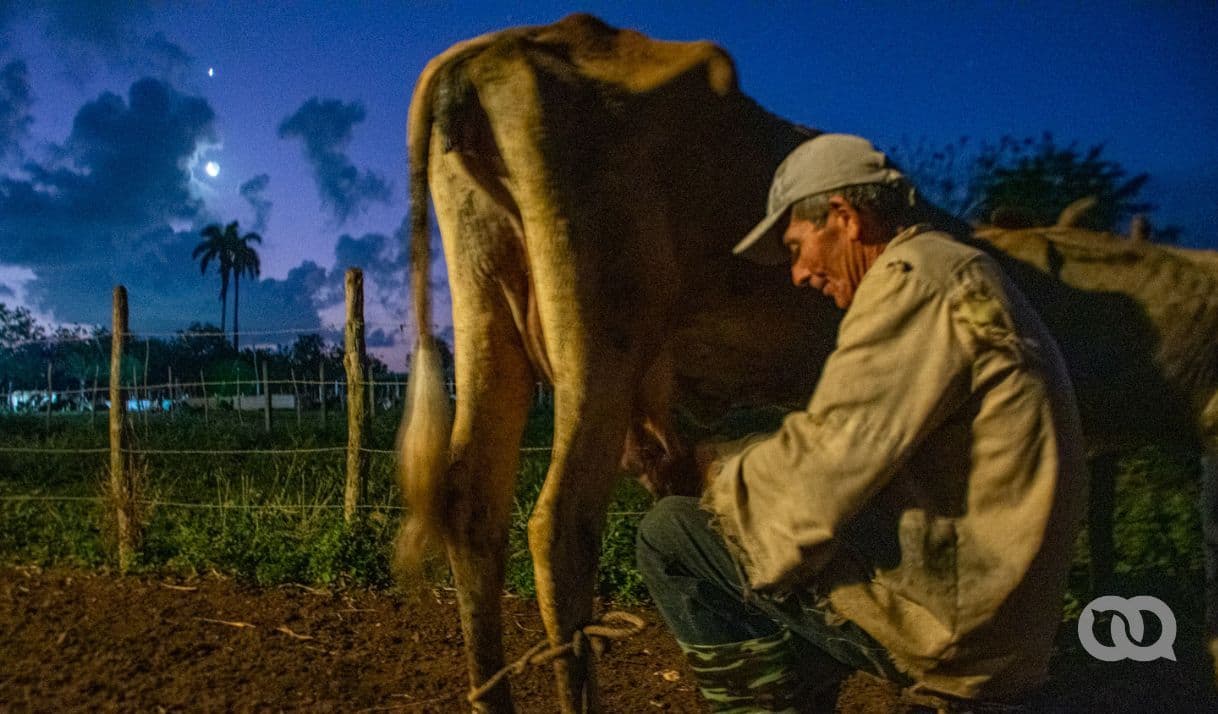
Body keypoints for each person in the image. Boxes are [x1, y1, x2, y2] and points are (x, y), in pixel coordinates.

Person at [636, 134, 1087, 712]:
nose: (799, 274)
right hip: (1001, 606)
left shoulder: (914, 280)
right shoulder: (959, 272)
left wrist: (709, 472)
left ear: (845, 218)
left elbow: (827, 466)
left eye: (798, 247)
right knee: (786, 540)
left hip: (960, 630)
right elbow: (855, 439)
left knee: (672, 533)